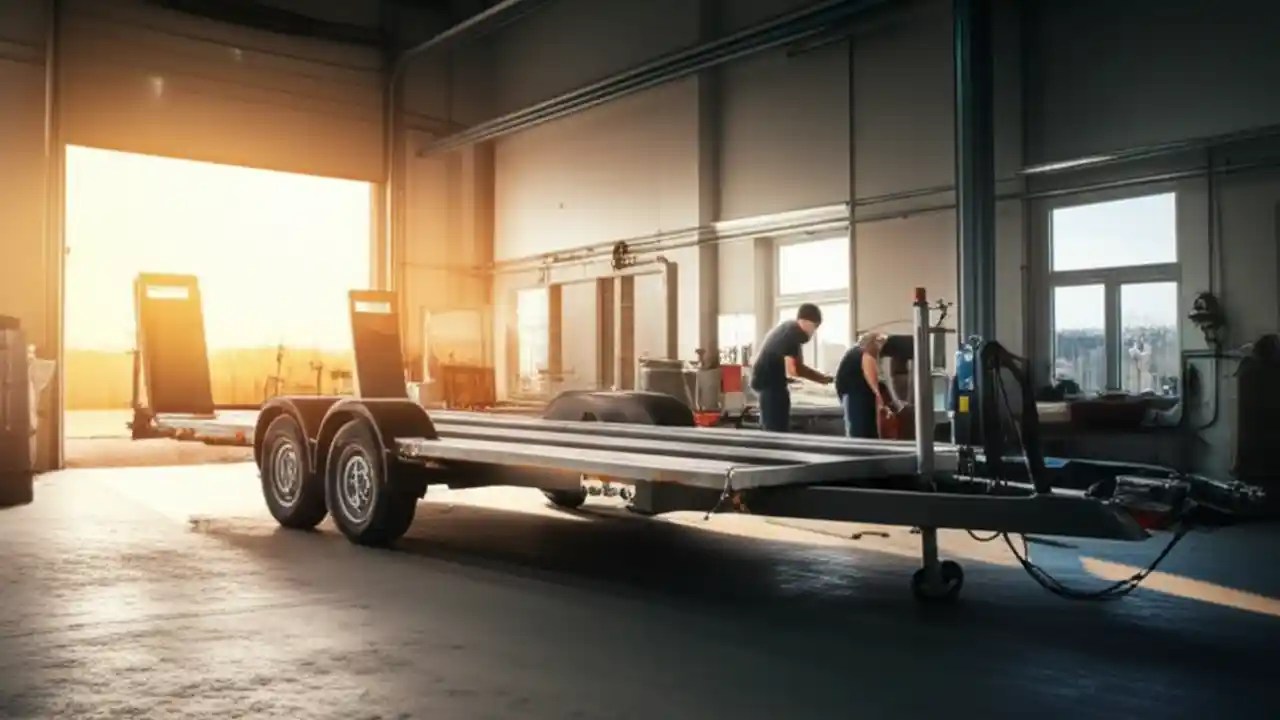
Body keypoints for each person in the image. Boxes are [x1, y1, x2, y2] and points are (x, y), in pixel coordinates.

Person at [749, 304, 832, 432]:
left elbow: (792, 365)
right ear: (805, 321)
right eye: (814, 326)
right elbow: (795, 370)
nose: (813, 332)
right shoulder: (793, 333)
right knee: (775, 430)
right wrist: (822, 379)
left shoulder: (788, 328)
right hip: (769, 386)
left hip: (769, 382)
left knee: (774, 425)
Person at [835, 332, 893, 438]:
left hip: (854, 396)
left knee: (860, 433)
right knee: (861, 433)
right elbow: (870, 375)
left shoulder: (854, 353)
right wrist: (880, 399)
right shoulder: (864, 353)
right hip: (856, 397)